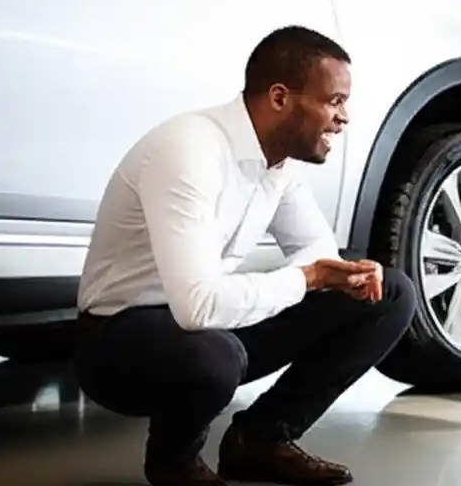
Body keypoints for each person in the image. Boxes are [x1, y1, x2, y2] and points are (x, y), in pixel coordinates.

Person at [73, 25, 416, 486]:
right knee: (215, 355)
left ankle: (260, 440)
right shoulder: (189, 149)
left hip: (206, 329)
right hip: (119, 343)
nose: (344, 117)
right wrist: (309, 277)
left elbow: (317, 253)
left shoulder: (278, 166)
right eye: (334, 101)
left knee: (389, 294)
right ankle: (175, 465)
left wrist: (345, 273)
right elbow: (198, 305)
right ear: (280, 98)